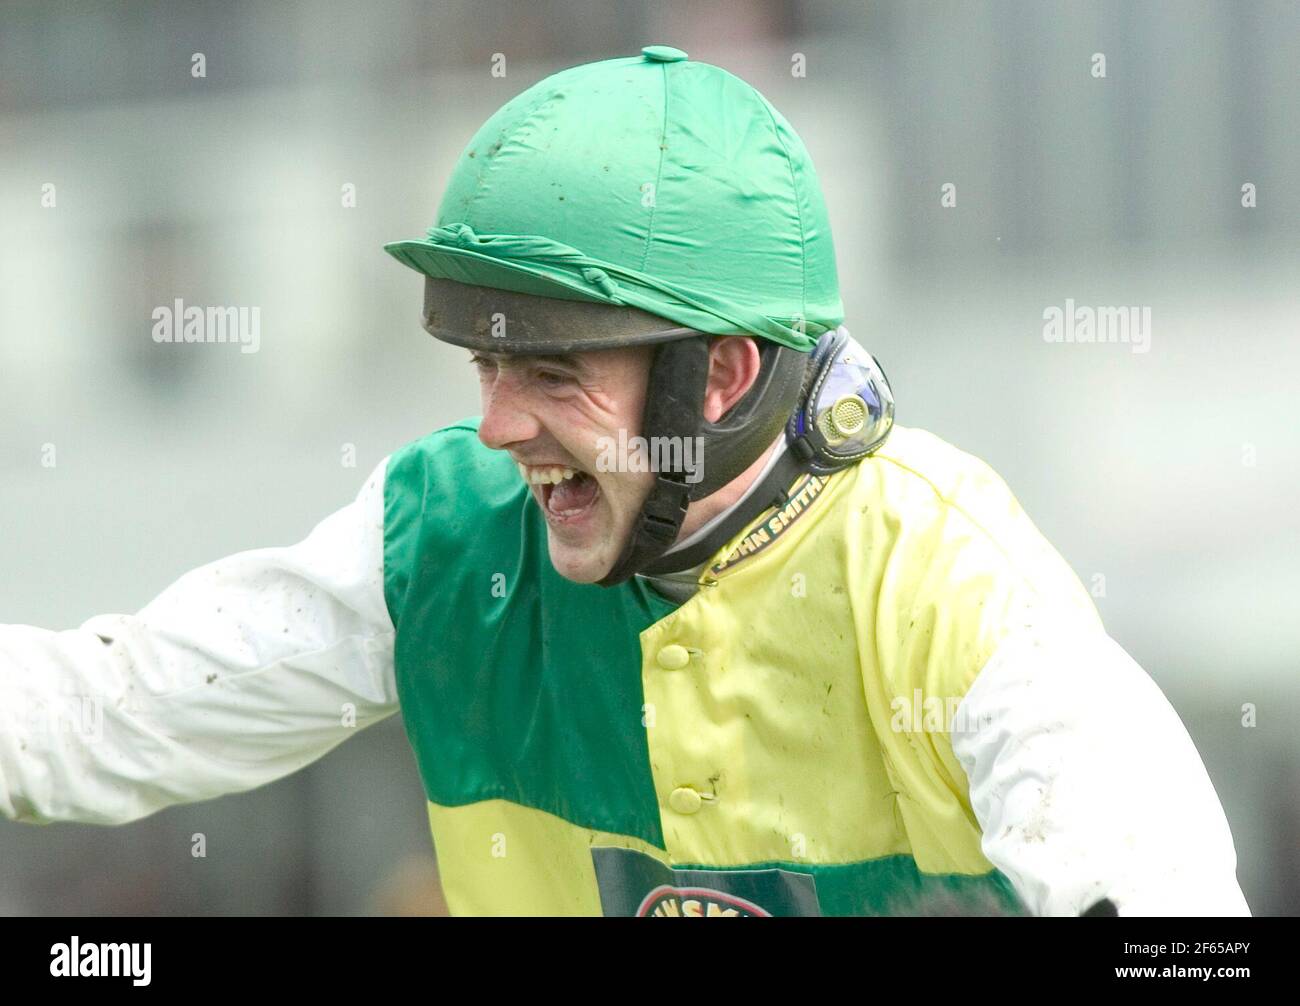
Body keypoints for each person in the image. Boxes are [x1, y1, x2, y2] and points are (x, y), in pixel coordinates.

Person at [0, 46, 1249, 917]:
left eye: (548, 373)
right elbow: (97, 716)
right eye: (487, 366)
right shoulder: (441, 541)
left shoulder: (953, 579)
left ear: (717, 376)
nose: (494, 428)